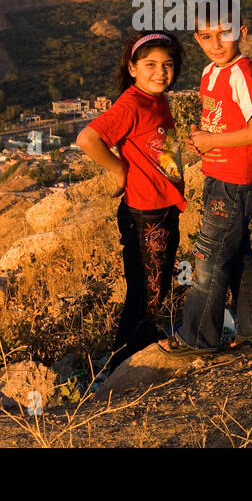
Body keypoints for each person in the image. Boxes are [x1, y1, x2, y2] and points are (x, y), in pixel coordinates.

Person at [162, 6, 252, 353]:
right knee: (236, 251)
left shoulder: (243, 73)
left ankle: (196, 338)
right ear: (197, 39)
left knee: (208, 259)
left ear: (241, 32)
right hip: (216, 174)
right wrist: (203, 139)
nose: (216, 44)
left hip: (236, 179)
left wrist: (212, 141)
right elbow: (223, 121)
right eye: (206, 36)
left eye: (223, 34)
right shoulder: (210, 72)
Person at [76, 31, 186, 378]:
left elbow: (161, 147)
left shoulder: (159, 100)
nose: (161, 72)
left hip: (162, 204)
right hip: (144, 211)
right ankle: (121, 364)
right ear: (133, 67)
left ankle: (143, 345)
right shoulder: (132, 103)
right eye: (150, 64)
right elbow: (88, 138)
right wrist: (119, 167)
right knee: (145, 290)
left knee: (158, 283)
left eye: (168, 65)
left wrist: (177, 167)